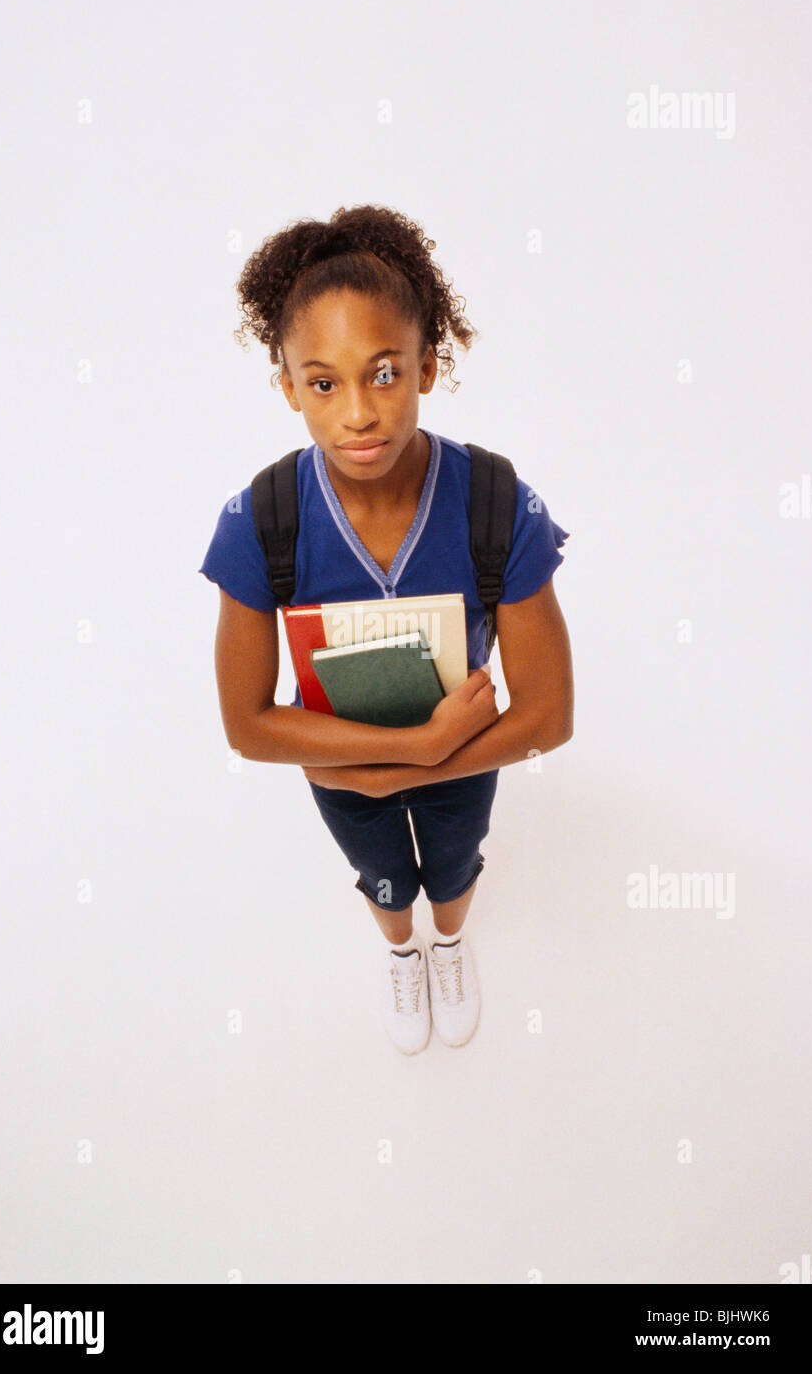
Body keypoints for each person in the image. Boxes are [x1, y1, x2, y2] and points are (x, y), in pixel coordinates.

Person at [199, 203, 574, 1055]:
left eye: (384, 373)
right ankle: (401, 948)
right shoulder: (261, 522)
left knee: (452, 861)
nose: (358, 413)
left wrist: (434, 756)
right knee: (380, 875)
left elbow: (549, 717)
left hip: (467, 753)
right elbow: (248, 726)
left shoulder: (493, 505)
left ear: (426, 368)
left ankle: (446, 940)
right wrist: (401, 756)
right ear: (288, 386)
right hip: (340, 762)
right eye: (323, 383)